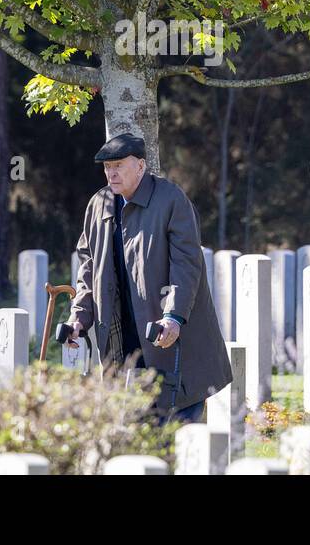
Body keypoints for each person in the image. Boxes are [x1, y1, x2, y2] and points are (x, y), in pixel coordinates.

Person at [64, 132, 232, 423]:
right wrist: (79, 317)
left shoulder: (171, 200)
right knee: (132, 428)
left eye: (118, 165)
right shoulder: (99, 204)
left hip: (168, 332)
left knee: (179, 425)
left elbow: (186, 264)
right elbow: (88, 266)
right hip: (121, 335)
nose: (111, 173)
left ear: (140, 166)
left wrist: (174, 317)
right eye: (106, 167)